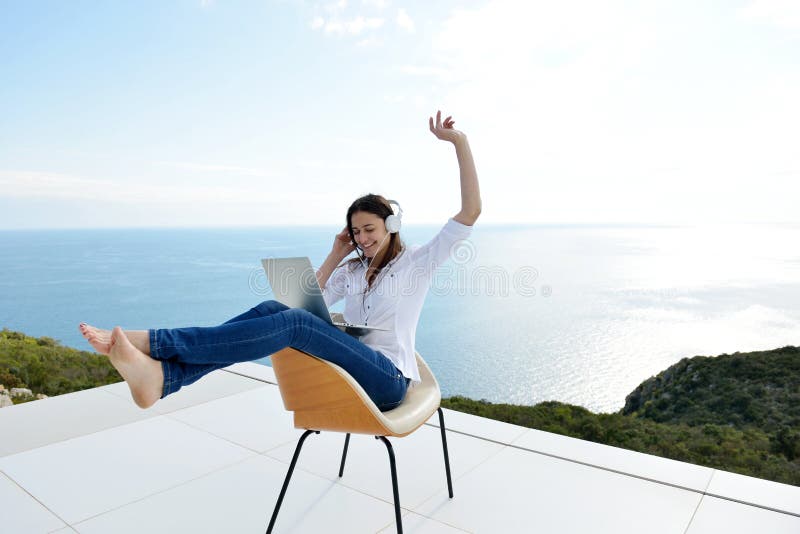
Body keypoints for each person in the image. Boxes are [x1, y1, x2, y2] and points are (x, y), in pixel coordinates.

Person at [79, 110, 481, 410]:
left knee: (291, 323)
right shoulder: (354, 268)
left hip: (388, 380)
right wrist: (336, 252)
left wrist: (458, 141)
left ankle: (156, 344)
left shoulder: (418, 263)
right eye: (356, 232)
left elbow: (470, 212)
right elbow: (299, 302)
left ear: (391, 225)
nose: (362, 239)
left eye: (369, 230)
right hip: (354, 364)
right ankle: (166, 378)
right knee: (276, 309)